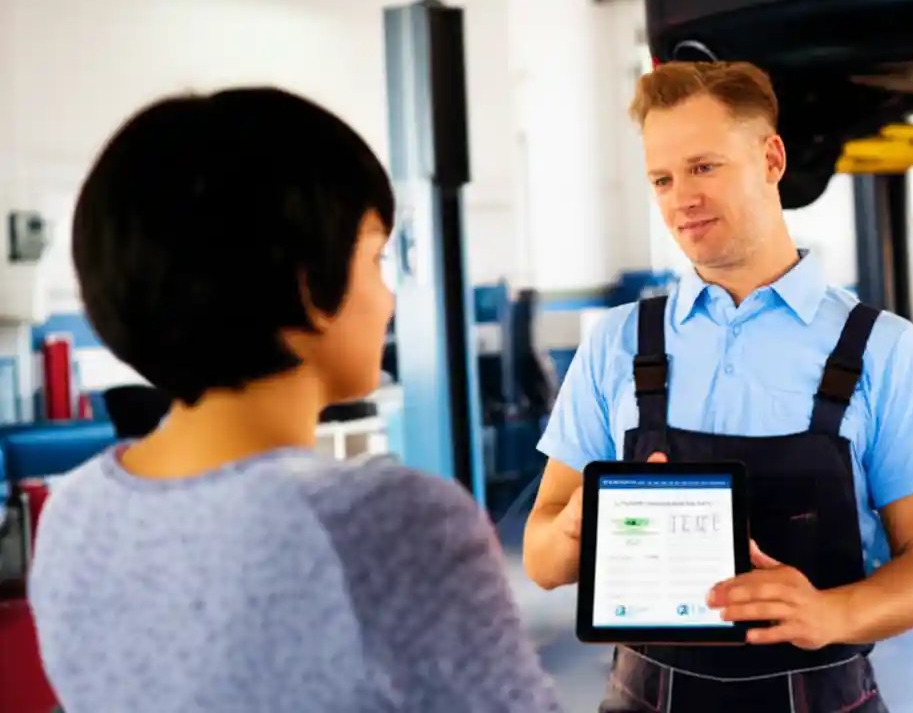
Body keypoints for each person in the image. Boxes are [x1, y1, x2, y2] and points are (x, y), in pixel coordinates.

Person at [28, 88, 562, 713]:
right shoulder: (384, 520)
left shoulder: (74, 515)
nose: (389, 298)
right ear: (309, 286)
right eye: (376, 258)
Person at [522, 61, 913, 712]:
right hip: (642, 697)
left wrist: (831, 613)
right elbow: (540, 559)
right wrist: (573, 530)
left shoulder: (882, 349)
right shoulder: (617, 344)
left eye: (704, 167)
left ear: (772, 158)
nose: (681, 198)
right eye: (662, 179)